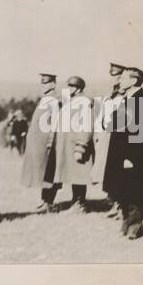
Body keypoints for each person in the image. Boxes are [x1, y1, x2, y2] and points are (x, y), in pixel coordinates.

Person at [101, 65, 143, 238]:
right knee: (122, 191)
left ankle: (134, 227)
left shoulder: (140, 100)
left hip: (132, 156)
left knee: (133, 192)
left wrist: (131, 157)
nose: (120, 80)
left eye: (124, 78)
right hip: (120, 154)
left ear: (134, 80)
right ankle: (126, 224)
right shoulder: (128, 99)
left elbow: (139, 134)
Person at [47, 75, 94, 211]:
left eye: (71, 86)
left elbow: (87, 125)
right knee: (73, 175)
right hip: (66, 145)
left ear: (78, 88)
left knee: (79, 174)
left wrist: (81, 146)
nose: (68, 88)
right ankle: (76, 202)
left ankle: (80, 204)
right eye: (68, 85)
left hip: (76, 145)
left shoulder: (85, 102)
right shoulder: (70, 101)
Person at [19, 72, 61, 211]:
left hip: (48, 142)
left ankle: (49, 202)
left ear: (53, 84)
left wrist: (51, 141)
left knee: (49, 171)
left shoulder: (55, 99)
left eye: (46, 82)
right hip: (39, 142)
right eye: (42, 82)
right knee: (43, 172)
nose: (43, 85)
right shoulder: (46, 99)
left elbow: (55, 122)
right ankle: (45, 201)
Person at [91, 62, 127, 213]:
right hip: (107, 135)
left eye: (117, 76)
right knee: (108, 170)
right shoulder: (110, 94)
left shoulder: (126, 95)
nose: (114, 79)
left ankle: (121, 204)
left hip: (119, 136)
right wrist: (98, 134)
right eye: (112, 76)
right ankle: (113, 200)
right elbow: (101, 115)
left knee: (119, 171)